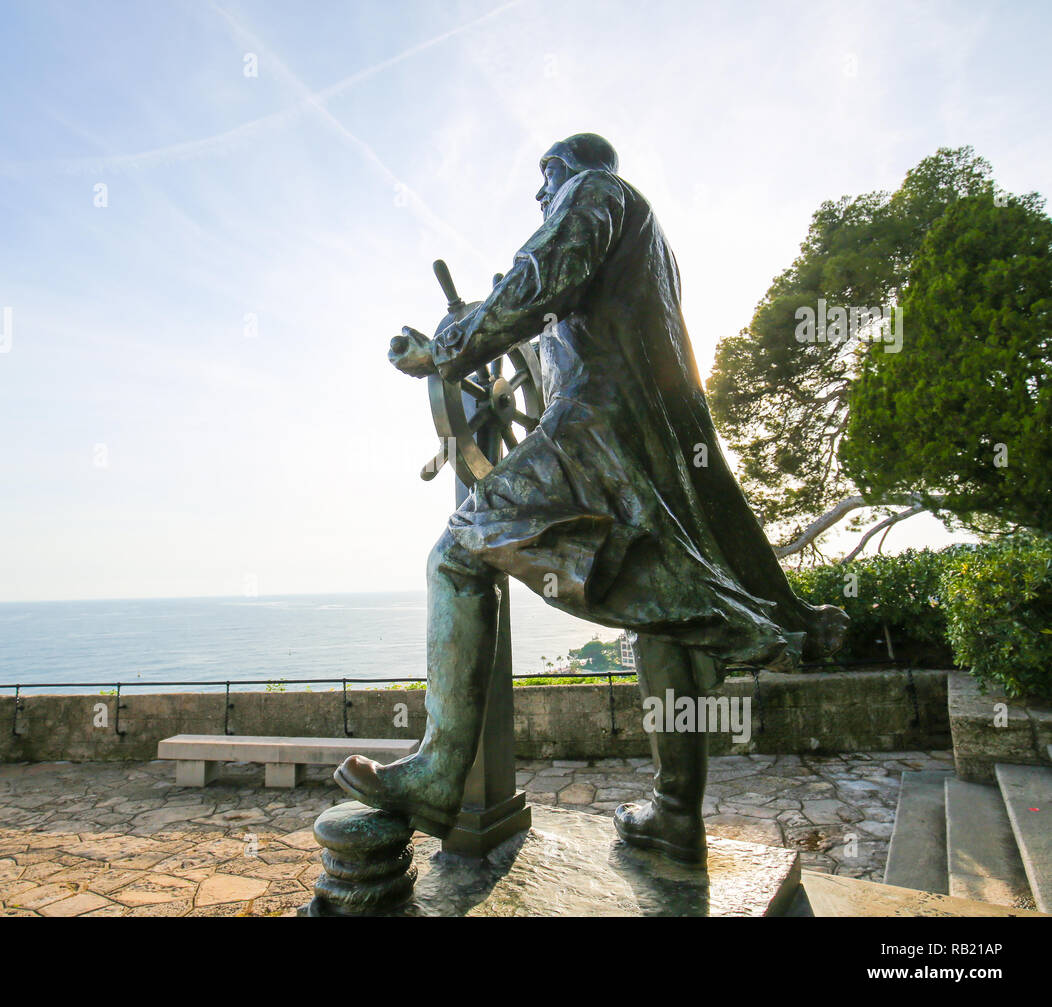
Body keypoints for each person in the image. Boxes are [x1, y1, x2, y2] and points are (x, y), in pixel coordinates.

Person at [335, 133, 848, 863]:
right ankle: (675, 812)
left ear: (570, 170)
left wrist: (446, 348)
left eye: (546, 182)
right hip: (648, 441)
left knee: (456, 556)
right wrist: (476, 325)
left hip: (593, 428)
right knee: (663, 614)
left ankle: (437, 773)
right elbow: (558, 313)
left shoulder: (597, 194)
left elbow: (542, 276)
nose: (543, 199)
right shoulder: (653, 242)